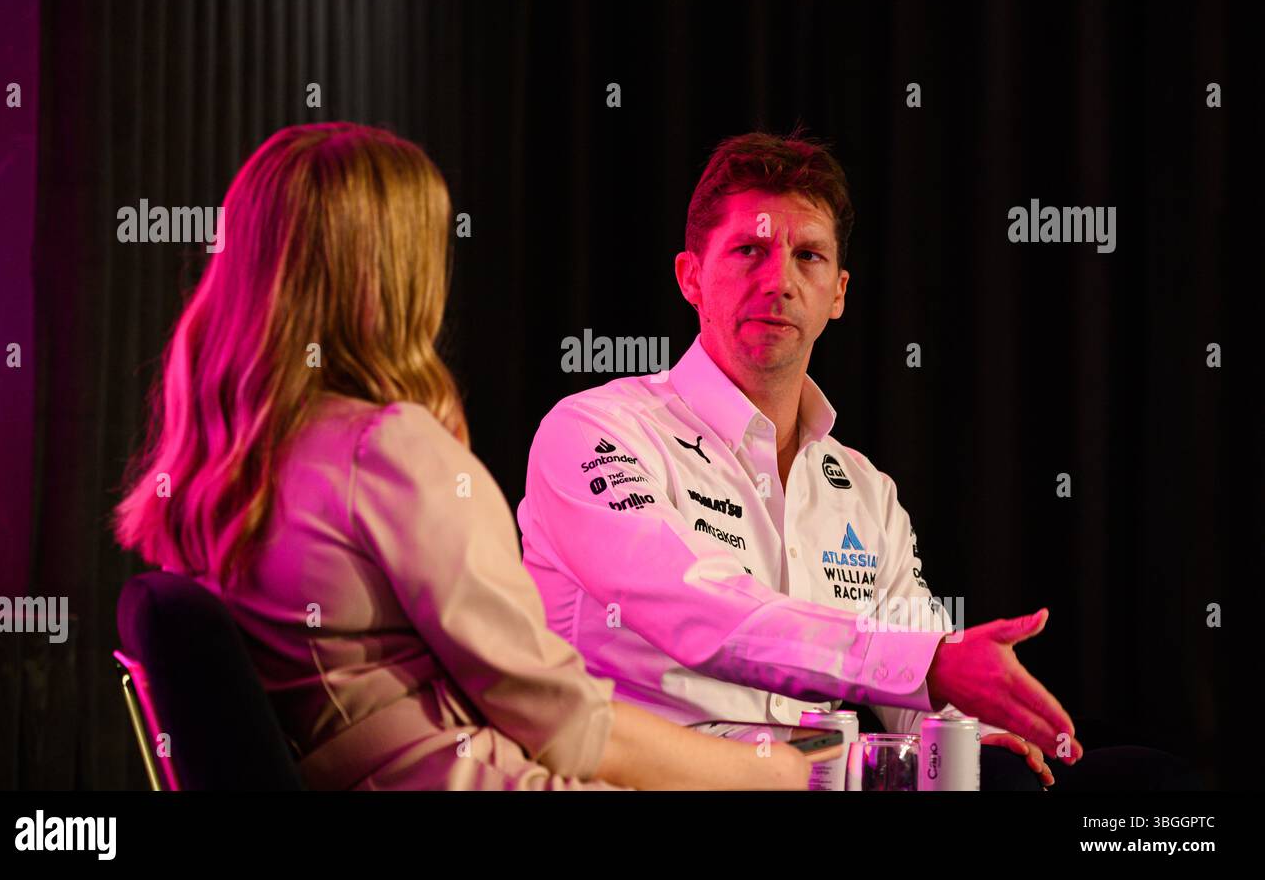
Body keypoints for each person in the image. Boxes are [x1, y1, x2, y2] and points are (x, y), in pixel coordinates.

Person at [113, 122, 836, 791]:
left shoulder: (221, 459)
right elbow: (563, 719)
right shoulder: (384, 448)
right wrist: (772, 771)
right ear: (392, 271)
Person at [517, 131, 1088, 788]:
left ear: (838, 293)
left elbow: (923, 682)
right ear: (691, 277)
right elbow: (700, 612)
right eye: (749, 251)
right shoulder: (596, 431)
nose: (779, 282)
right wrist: (931, 663)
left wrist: (975, 732)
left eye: (808, 256)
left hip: (817, 779)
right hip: (645, 777)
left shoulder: (864, 489)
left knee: (1133, 782)